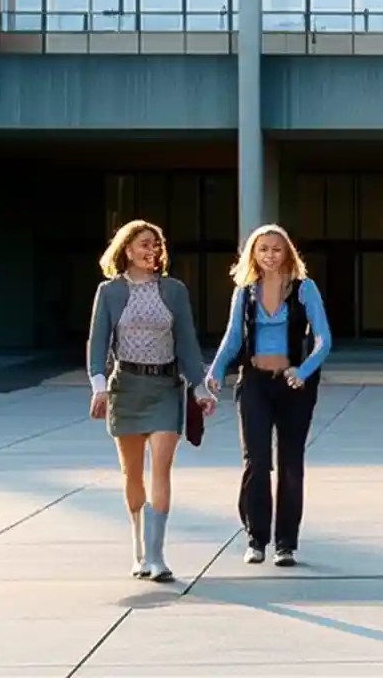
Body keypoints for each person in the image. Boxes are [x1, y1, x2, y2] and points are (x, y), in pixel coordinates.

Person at [87, 219, 217, 581]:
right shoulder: (109, 292)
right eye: (144, 244)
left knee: (161, 468)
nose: (151, 251)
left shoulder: (174, 291)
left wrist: (200, 388)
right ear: (127, 249)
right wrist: (99, 386)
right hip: (125, 388)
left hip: (165, 388)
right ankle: (139, 551)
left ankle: (158, 557)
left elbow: (187, 343)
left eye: (156, 245)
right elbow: (97, 345)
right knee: (132, 473)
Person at [206, 224, 333, 568]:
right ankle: (256, 537)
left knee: (291, 465)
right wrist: (216, 370)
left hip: (294, 387)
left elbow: (324, 340)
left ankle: (286, 544)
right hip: (255, 385)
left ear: (288, 253)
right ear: (253, 254)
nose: (270, 255)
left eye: (277, 249)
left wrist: (302, 371)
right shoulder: (244, 293)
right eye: (263, 249)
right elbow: (233, 338)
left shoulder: (305, 290)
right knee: (257, 462)